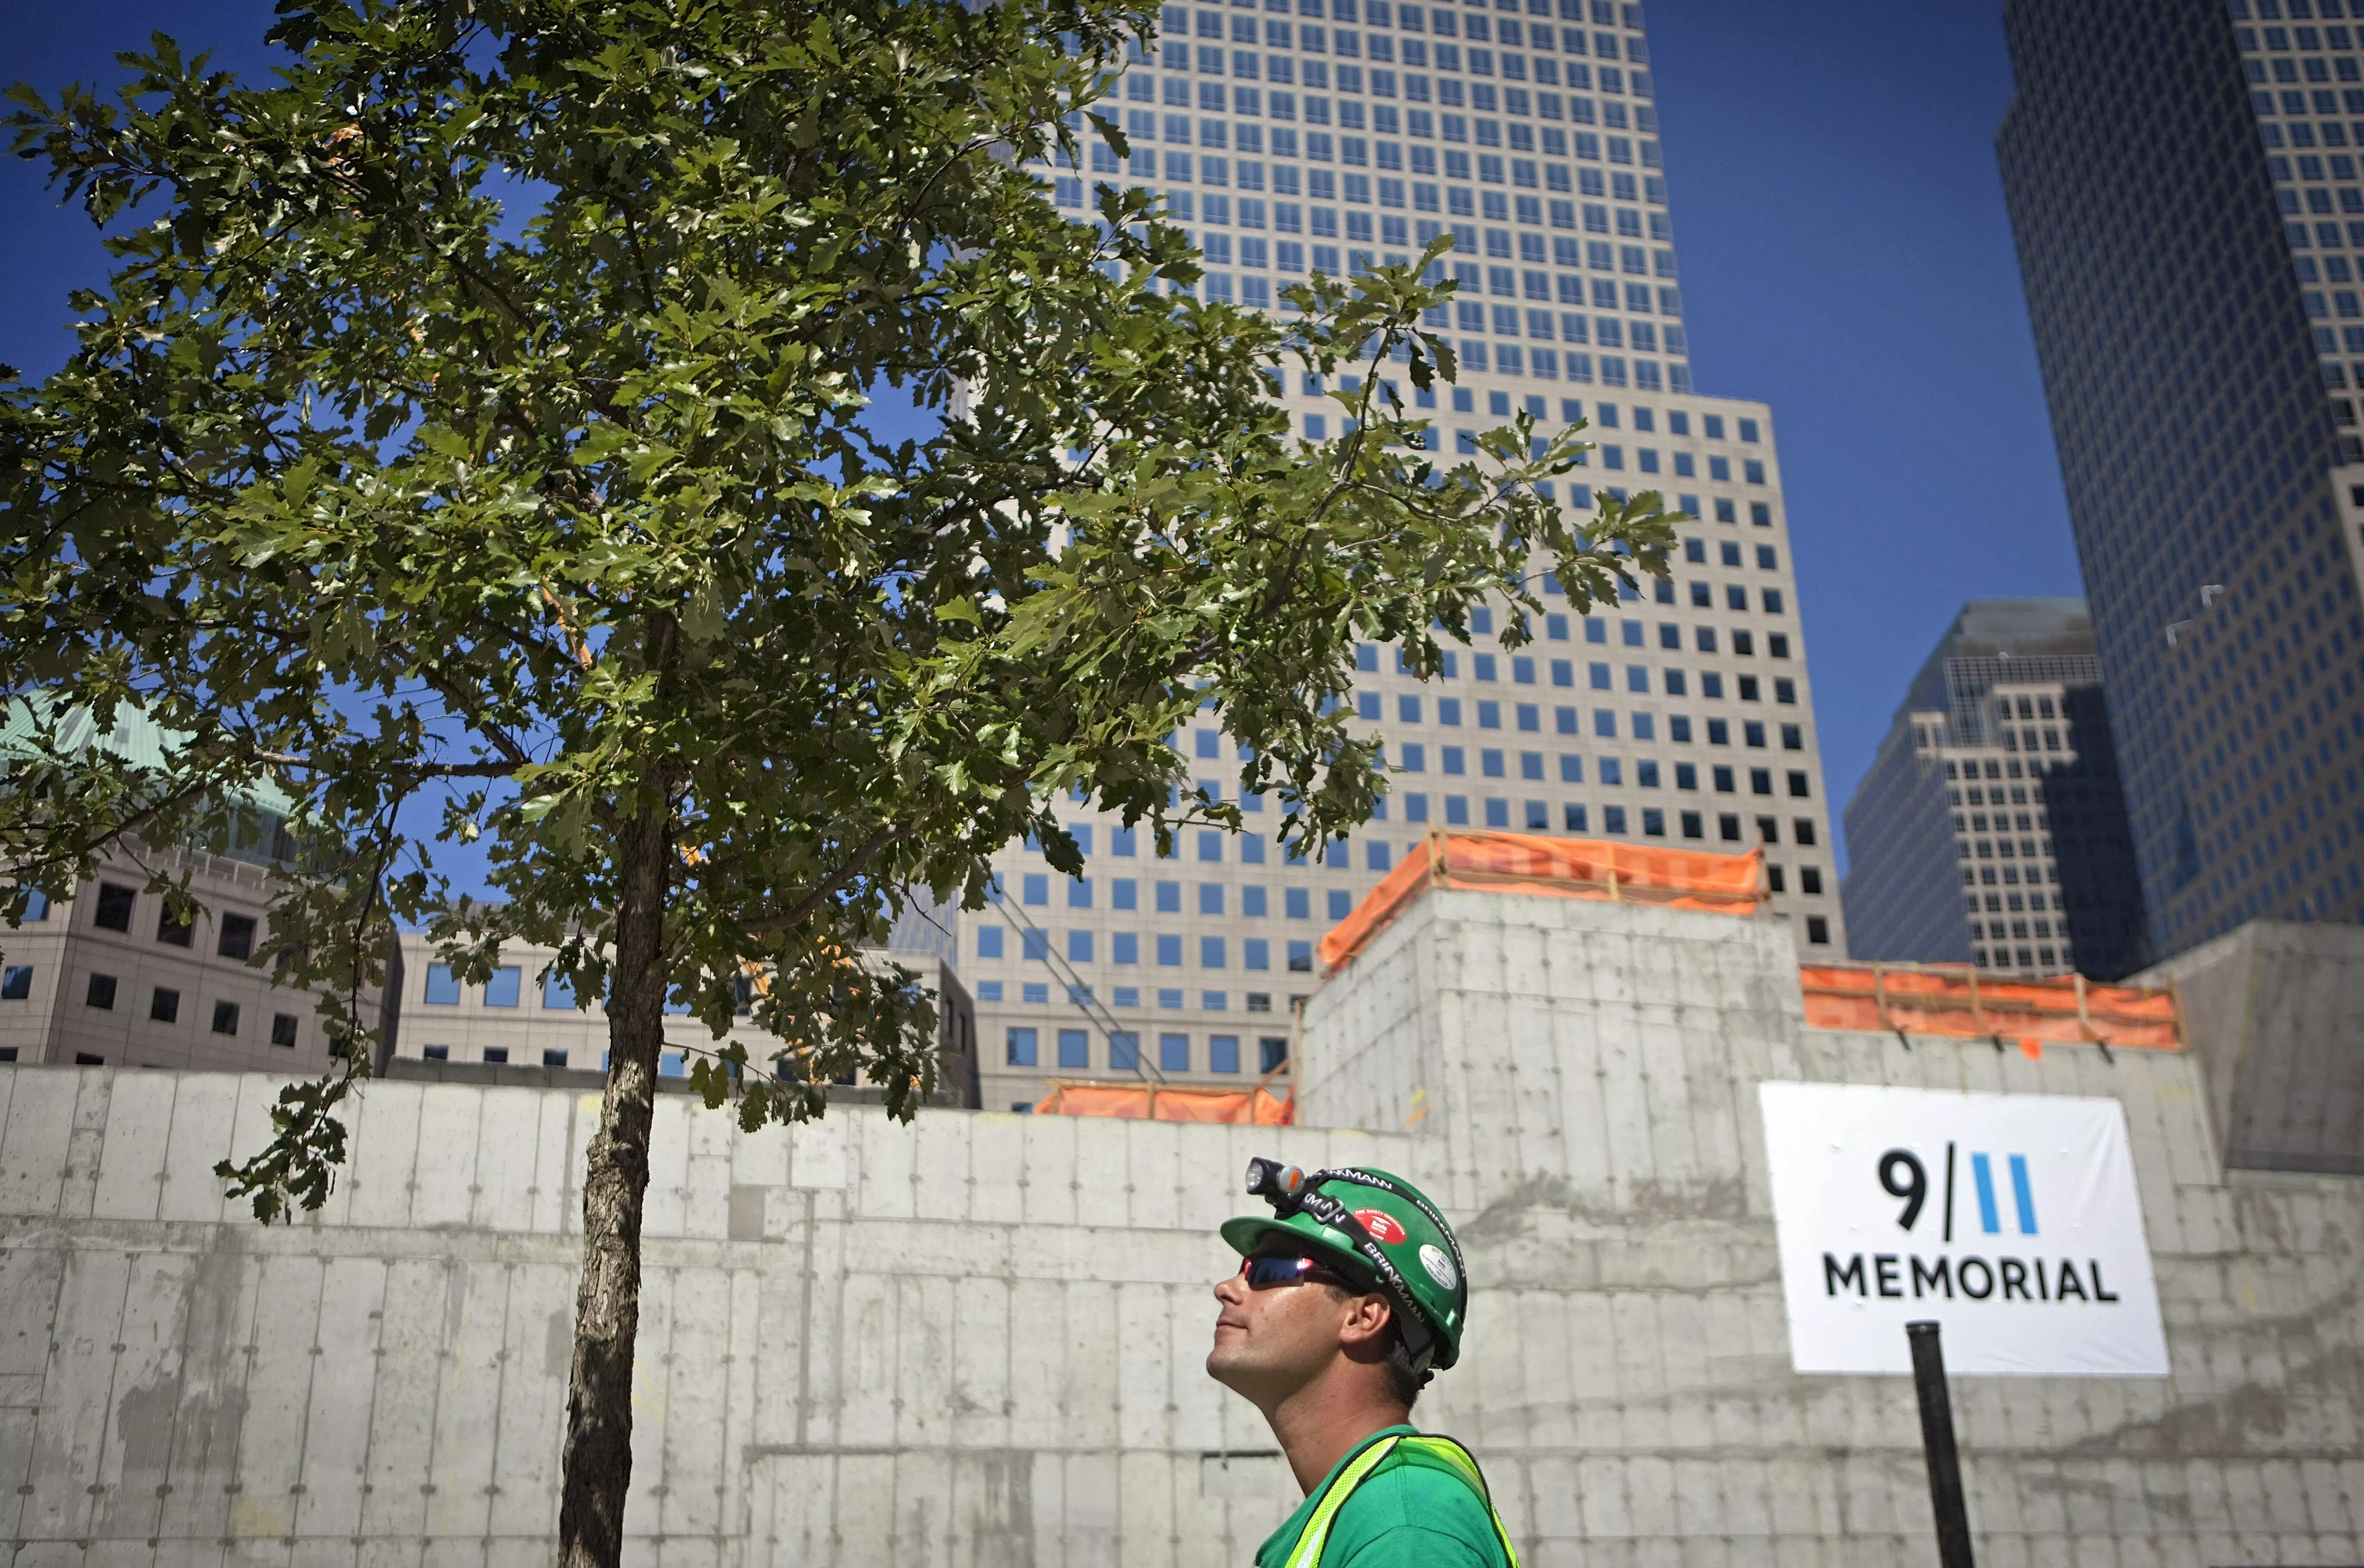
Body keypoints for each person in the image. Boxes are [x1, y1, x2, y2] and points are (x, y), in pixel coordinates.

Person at [1207, 1158, 1520, 1568]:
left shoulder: (1406, 1524)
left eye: (1268, 1271)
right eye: (1243, 1270)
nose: (1226, 1288)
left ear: (1363, 1317)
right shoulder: (1371, 1513)